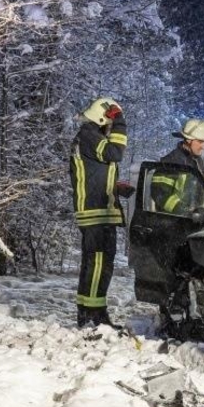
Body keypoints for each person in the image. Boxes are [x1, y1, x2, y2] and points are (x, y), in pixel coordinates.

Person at [69, 97, 129, 328]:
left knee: (97, 265)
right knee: (97, 265)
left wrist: (117, 187)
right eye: (111, 121)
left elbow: (96, 173)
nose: (111, 127)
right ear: (104, 118)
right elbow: (115, 153)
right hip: (96, 213)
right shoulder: (89, 136)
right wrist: (120, 121)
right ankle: (91, 316)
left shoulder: (89, 138)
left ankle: (94, 312)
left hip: (98, 211)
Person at [152, 118, 204, 213]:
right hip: (175, 221)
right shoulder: (171, 161)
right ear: (188, 140)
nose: (203, 146)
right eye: (200, 141)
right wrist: (185, 212)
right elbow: (160, 193)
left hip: (198, 219)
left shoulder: (202, 162)